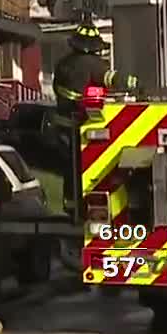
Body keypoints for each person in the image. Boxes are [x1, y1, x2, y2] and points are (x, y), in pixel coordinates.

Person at [52, 17, 140, 211]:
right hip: (81, 123)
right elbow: (114, 79)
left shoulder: (62, 64)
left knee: (70, 168)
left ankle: (71, 205)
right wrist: (136, 83)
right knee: (84, 167)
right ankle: (81, 205)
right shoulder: (94, 65)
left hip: (62, 125)